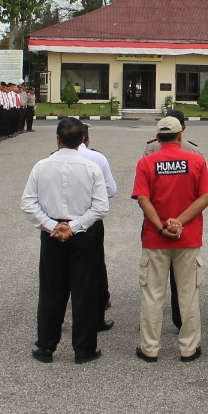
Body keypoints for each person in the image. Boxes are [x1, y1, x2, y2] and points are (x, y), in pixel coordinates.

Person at [21, 117, 110, 364]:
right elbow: (101, 207)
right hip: (83, 235)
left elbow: (28, 204)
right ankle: (84, 350)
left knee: (51, 291)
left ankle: (46, 347)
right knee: (84, 292)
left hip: (53, 235)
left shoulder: (41, 166)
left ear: (58, 139)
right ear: (82, 140)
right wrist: (75, 226)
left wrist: (53, 225)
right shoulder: (91, 168)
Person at [132, 115, 208, 363]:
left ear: (157, 138)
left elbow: (143, 199)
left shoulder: (146, 162)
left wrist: (161, 227)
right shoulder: (196, 160)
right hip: (187, 239)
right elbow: (206, 197)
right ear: (180, 137)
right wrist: (179, 221)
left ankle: (150, 349)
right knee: (188, 295)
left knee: (152, 295)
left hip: (156, 240)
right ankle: (188, 349)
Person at [77, 124, 117, 332]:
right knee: (94, 266)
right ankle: (98, 311)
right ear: (87, 140)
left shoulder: (48, 160)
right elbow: (111, 190)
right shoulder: (97, 158)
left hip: (57, 225)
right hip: (90, 220)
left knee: (57, 274)